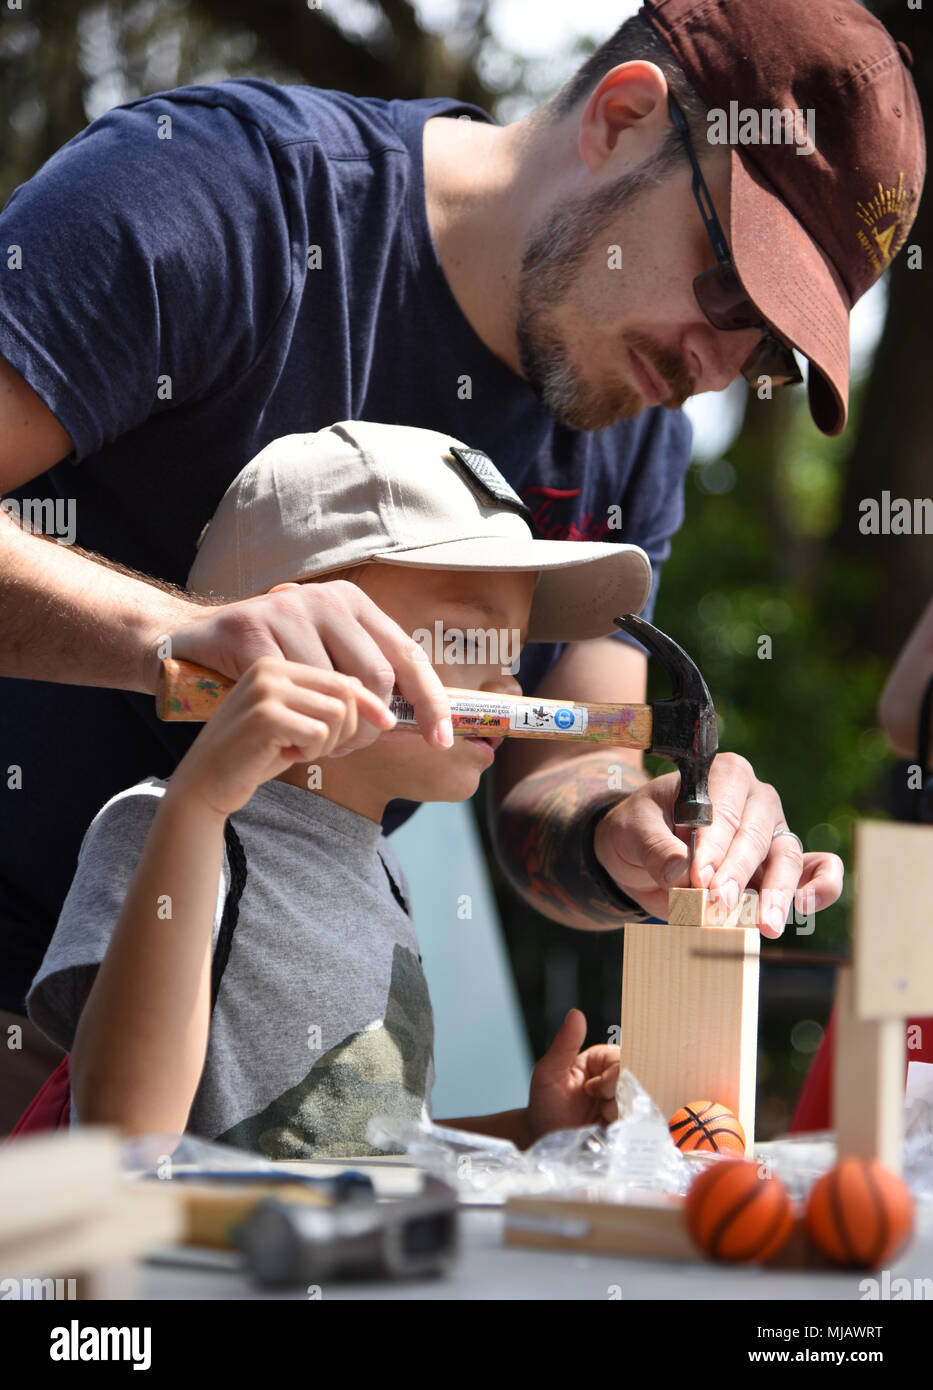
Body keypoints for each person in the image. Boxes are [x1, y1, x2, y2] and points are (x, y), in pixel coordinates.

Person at [0, 0, 921, 1129]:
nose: (713, 366)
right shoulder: (212, 197)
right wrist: (176, 639)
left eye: (769, 350)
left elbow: (559, 774)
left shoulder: (633, 434)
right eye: (729, 286)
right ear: (625, 118)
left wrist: (634, 836)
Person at [17, 422, 665, 1151]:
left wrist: (528, 1133)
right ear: (300, 630)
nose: (507, 684)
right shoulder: (166, 826)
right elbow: (127, 1139)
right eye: (464, 639)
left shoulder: (381, 865)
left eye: (512, 652)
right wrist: (198, 809)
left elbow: (355, 1150)